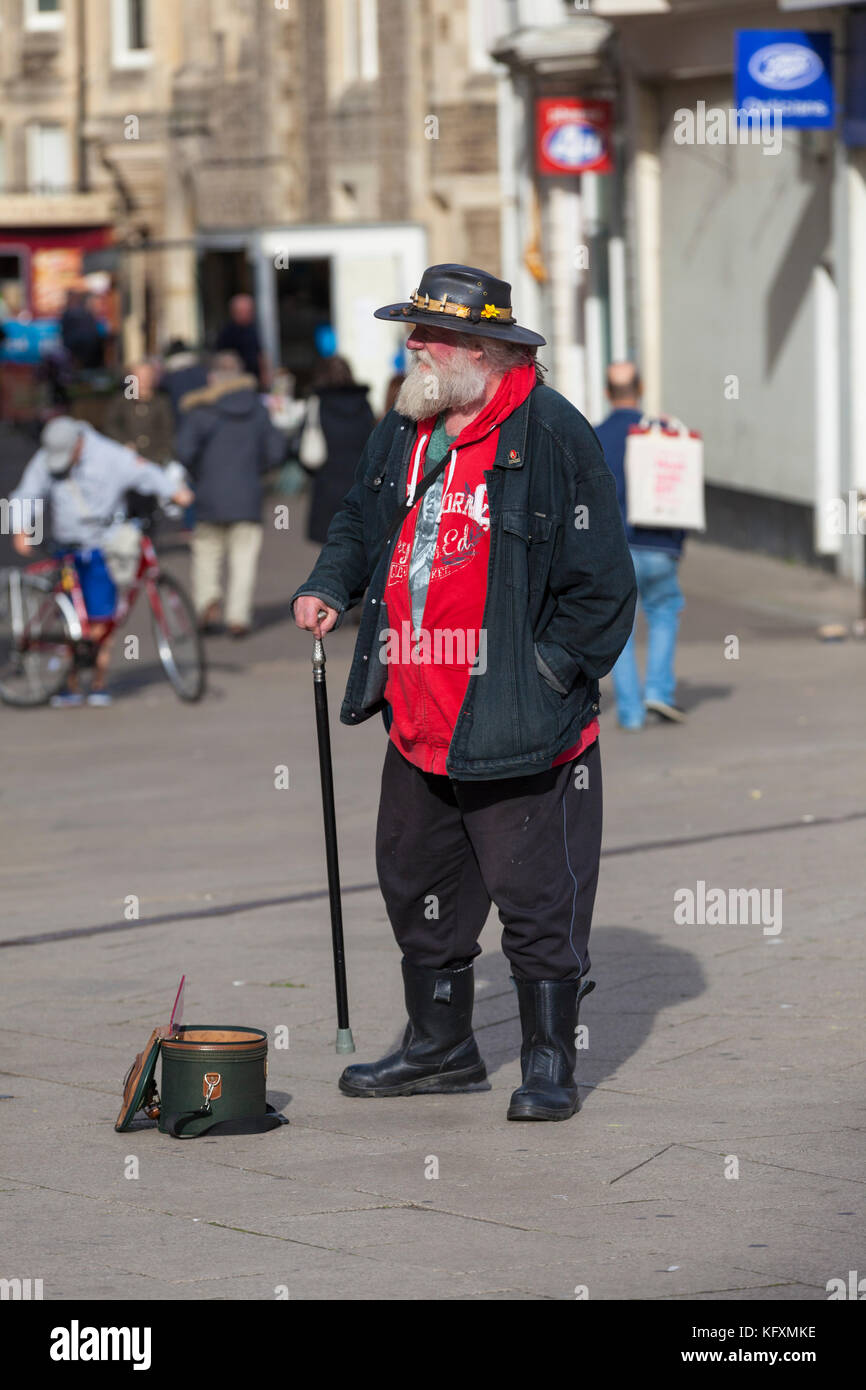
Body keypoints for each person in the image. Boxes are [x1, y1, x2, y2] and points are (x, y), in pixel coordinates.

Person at [291, 263, 636, 1122]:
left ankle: (550, 1062)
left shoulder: (551, 432)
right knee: (413, 880)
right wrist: (331, 584)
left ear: (485, 350)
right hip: (417, 711)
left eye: (431, 335)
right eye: (412, 331)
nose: (414, 346)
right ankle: (440, 1048)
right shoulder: (405, 427)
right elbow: (356, 522)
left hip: (517, 720)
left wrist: (550, 676)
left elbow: (604, 587)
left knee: (534, 897)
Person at [7, 416, 193, 705]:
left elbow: (145, 473)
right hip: (66, 546)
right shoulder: (48, 457)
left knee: (103, 618)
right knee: (72, 620)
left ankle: (98, 681)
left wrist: (175, 492)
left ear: (79, 444)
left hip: (101, 547)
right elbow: (26, 493)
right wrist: (20, 528)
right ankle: (69, 682)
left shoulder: (109, 455)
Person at [594, 363, 687, 730]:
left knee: (622, 628)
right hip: (661, 544)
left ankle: (631, 712)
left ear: (606, 393)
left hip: (618, 548)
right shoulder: (661, 432)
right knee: (664, 612)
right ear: (641, 388)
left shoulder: (595, 436)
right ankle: (659, 693)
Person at [175, 350, 287, 637]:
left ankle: (206, 602)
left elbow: (184, 452)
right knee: (243, 557)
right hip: (247, 494)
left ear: (212, 378)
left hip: (208, 494)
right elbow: (277, 451)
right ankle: (238, 616)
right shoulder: (258, 409)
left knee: (206, 553)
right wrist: (255, 471)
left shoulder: (201, 411)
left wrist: (200, 474)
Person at [303, 355, 376, 547]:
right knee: (356, 545)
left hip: (327, 483)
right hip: (357, 484)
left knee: (329, 549)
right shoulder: (364, 403)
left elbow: (304, 445)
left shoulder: (318, 403)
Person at [215, 294, 270, 388]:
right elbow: (222, 361)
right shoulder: (227, 333)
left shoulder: (252, 329)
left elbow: (259, 352)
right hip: (236, 382)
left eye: (249, 311)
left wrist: (265, 373)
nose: (246, 314)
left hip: (254, 379)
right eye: (242, 311)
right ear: (234, 312)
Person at [60, 290, 104, 372]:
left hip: (78, 346)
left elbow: (64, 332)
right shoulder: (86, 312)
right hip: (91, 346)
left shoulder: (68, 313)